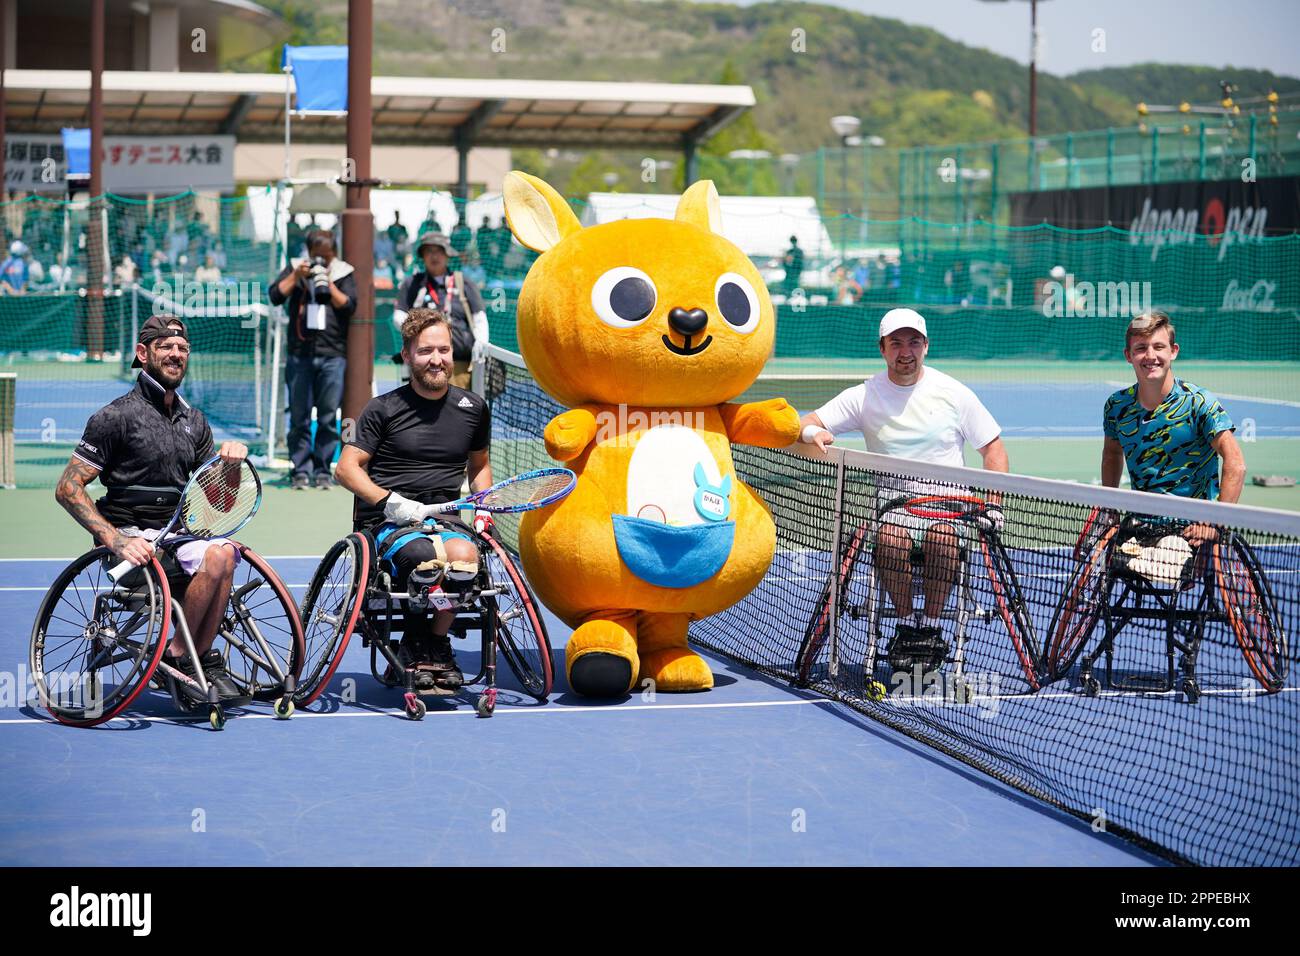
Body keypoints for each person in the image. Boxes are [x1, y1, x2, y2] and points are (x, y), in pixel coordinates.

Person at [799, 308, 1009, 678]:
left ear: (926, 346)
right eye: (896, 343)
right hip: (893, 509)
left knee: (942, 538)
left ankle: (929, 628)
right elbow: (808, 422)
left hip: (948, 508)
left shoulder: (953, 393)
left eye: (913, 342)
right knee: (890, 538)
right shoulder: (864, 395)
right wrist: (811, 434)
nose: (905, 351)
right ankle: (908, 624)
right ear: (883, 349)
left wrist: (994, 506)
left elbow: (993, 448)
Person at [54, 314, 248, 698]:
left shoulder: (195, 421)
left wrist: (232, 469)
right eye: (166, 347)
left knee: (225, 553)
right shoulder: (114, 417)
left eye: (182, 349)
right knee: (216, 556)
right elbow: (68, 488)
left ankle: (181, 656)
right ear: (143, 354)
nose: (176, 354)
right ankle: (186, 659)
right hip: (129, 547)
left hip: (174, 540)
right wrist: (115, 541)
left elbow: (220, 502)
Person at [335, 309, 495, 692]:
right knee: (425, 559)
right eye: (425, 351)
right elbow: (346, 469)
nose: (436, 359)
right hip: (392, 521)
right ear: (407, 356)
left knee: (465, 560)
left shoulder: (473, 409)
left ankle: (428, 642)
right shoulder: (382, 409)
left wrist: (483, 508)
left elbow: (479, 469)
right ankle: (424, 645)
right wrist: (390, 502)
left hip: (446, 518)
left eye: (443, 349)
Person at [1102, 312, 1244, 551]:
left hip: (1194, 525)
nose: (1150, 356)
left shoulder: (1199, 403)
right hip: (1141, 522)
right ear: (1128, 355)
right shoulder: (1117, 406)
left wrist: (1216, 523)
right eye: (1140, 348)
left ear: (1173, 351)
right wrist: (1109, 505)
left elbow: (1236, 463)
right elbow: (1112, 454)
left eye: (1159, 346)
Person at [267, 229, 358, 490]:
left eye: (326, 257)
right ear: (309, 252)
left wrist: (327, 282)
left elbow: (351, 305)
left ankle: (322, 469)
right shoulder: (296, 268)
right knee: (299, 416)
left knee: (329, 417)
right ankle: (300, 469)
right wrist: (298, 276)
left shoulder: (343, 272)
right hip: (300, 355)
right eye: (317, 256)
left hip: (332, 355)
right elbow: (275, 296)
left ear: (334, 254)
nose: (321, 261)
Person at [393, 231, 488, 389]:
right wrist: (418, 328)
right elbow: (398, 316)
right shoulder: (412, 284)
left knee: (460, 411)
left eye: (439, 251)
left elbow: (479, 317)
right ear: (422, 256)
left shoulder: (464, 283)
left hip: (460, 366)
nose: (434, 256)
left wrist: (481, 342)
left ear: (447, 254)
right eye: (429, 251)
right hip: (423, 367)